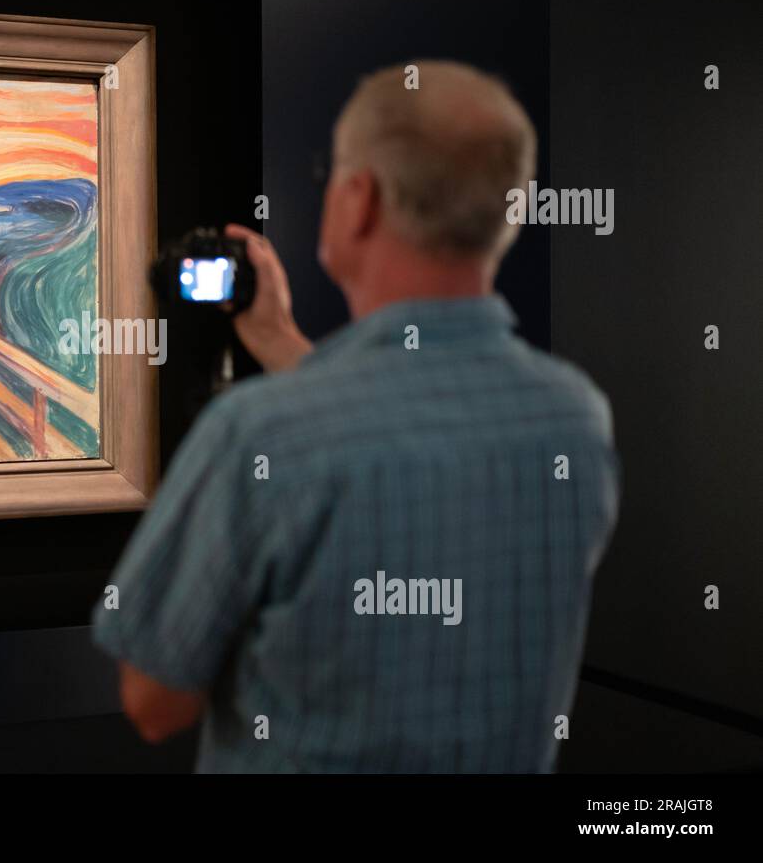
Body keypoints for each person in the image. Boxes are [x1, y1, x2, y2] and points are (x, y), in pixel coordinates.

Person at [91, 61, 620, 773]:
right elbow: (401, 419)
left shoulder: (257, 434)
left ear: (358, 199)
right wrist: (277, 340)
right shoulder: (575, 418)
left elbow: (155, 703)